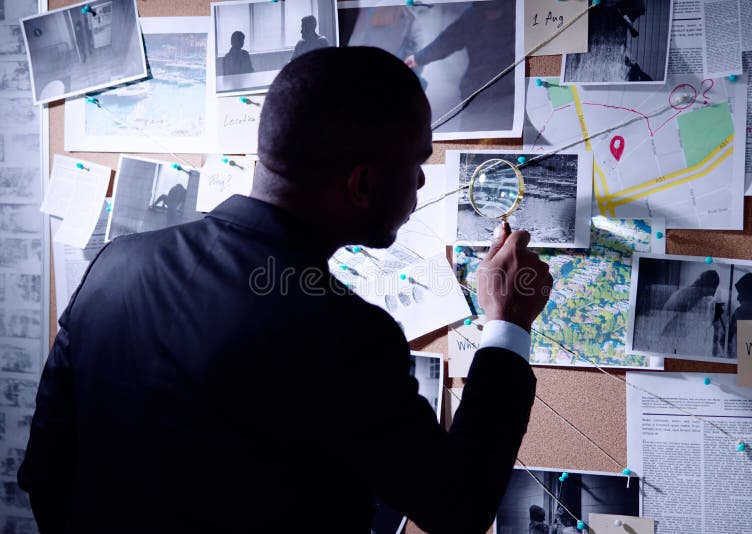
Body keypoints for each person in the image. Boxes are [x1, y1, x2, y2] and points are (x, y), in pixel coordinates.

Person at [18, 47, 552, 533]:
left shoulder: (116, 264)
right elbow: (458, 507)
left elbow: (43, 473)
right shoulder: (346, 334)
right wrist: (506, 324)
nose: (421, 183)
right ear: (362, 185)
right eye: (416, 163)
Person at [403, 1, 515, 132]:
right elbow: (448, 40)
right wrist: (418, 58)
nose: (491, 15)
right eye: (487, 11)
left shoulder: (514, 14)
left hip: (507, 94)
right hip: (476, 94)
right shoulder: (472, 17)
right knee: (470, 135)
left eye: (495, 10)